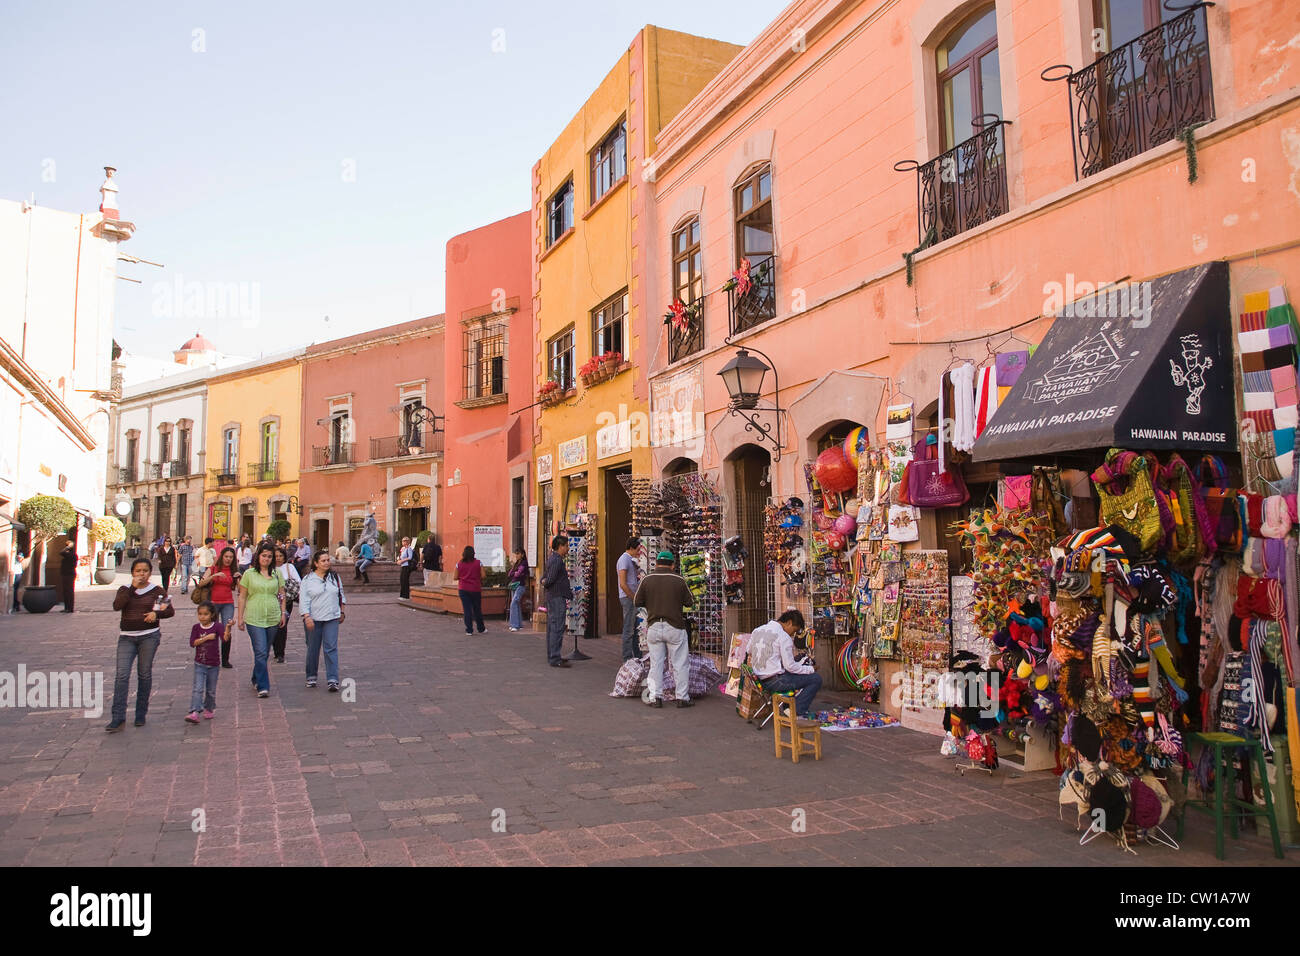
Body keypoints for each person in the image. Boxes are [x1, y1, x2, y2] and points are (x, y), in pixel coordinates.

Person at [107, 558, 175, 731]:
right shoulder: (125, 590)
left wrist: (156, 614)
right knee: (122, 676)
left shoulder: (157, 591)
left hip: (149, 636)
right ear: (132, 573)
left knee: (144, 674)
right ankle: (118, 717)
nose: (141, 574)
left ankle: (140, 714)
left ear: (150, 572)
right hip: (126, 637)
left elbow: (169, 610)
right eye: (138, 571)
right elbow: (117, 606)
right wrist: (132, 588)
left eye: (145, 571)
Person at [633, 549, 695, 708]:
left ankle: (655, 697)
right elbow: (690, 602)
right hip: (675, 626)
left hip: (653, 626)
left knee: (656, 664)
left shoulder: (647, 579)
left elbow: (637, 601)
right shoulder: (678, 580)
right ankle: (682, 697)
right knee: (680, 663)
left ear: (657, 563)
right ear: (672, 564)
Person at [748, 609, 822, 718]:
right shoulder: (783, 636)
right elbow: (790, 666)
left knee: (791, 670)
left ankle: (787, 708)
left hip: (759, 679)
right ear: (789, 623)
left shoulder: (757, 630)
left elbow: (748, 650)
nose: (793, 635)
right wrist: (810, 669)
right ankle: (797, 711)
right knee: (815, 679)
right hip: (776, 682)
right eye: (794, 631)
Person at [237, 545, 284, 698]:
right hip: (254, 617)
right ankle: (263, 686)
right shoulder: (249, 574)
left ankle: (256, 677)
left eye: (270, 556)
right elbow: (242, 596)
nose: (267, 559)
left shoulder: (277, 573)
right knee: (261, 651)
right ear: (258, 556)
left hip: (272, 616)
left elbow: (282, 595)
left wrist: (283, 613)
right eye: (264, 555)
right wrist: (240, 617)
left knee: (264, 652)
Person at [301, 550, 346, 691]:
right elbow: (304, 600)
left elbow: (341, 594)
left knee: (331, 648)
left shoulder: (335, 577)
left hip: (332, 617)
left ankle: (332, 679)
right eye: (323, 561)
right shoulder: (308, 580)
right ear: (316, 563)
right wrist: (307, 617)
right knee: (313, 648)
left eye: (328, 560)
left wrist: (342, 611)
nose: (327, 563)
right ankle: (311, 676)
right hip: (314, 618)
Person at [198, 547, 240, 668]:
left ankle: (225, 660)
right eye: (226, 556)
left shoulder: (233, 571)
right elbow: (201, 583)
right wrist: (213, 575)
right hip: (213, 603)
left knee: (227, 629)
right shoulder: (213, 568)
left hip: (228, 603)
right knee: (212, 630)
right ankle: (210, 657)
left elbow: (241, 591)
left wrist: (239, 578)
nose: (228, 559)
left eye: (231, 557)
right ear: (222, 556)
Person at [185, 601, 226, 722]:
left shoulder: (217, 626)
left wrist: (228, 627)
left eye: (206, 614)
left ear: (212, 615)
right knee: (198, 688)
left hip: (214, 664)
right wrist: (206, 638)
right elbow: (193, 643)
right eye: (200, 614)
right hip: (200, 663)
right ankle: (195, 711)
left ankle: (209, 708)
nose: (202, 617)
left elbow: (225, 639)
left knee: (211, 690)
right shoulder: (196, 628)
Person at [541, 536, 572, 668]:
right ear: (560, 546)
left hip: (553, 596)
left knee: (553, 627)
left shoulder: (552, 558)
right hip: (556, 597)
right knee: (557, 627)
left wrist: (544, 581)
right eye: (566, 546)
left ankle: (554, 655)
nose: (567, 549)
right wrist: (545, 582)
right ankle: (555, 657)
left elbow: (545, 577)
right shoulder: (557, 560)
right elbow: (549, 579)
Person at [271, 546, 301, 664]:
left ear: (284, 557)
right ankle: (275, 648)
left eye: (280, 556)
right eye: (276, 556)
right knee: (273, 626)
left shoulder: (289, 567)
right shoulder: (270, 568)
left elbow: (298, 582)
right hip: (272, 602)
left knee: (282, 626)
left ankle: (280, 653)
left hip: (286, 602)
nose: (278, 558)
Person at [616, 537, 643, 661]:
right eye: (638, 549)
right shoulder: (624, 560)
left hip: (631, 598)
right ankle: (627, 658)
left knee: (635, 629)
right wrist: (633, 597)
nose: (639, 552)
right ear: (631, 548)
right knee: (629, 629)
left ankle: (637, 655)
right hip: (628, 598)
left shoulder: (630, 559)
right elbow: (623, 583)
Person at [456, 545, 485, 635]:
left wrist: (463, 577)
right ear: (473, 553)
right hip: (475, 588)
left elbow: (455, 577)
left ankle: (469, 630)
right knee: (477, 609)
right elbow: (483, 575)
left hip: (463, 589)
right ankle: (481, 628)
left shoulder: (459, 564)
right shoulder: (478, 563)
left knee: (467, 609)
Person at [506, 548, 529, 631]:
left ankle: (514, 625)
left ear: (522, 554)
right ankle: (519, 624)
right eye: (516, 553)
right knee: (516, 604)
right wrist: (514, 573)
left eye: (518, 553)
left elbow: (518, 574)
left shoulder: (524, 563)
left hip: (520, 585)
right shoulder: (517, 563)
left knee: (514, 603)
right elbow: (510, 573)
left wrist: (515, 573)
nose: (516, 555)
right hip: (514, 585)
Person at [60, 536, 78, 613]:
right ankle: (67, 607)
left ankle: (70, 608)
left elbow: (61, 552)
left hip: (69, 574)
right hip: (67, 573)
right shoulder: (71, 554)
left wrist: (68, 547)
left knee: (69, 591)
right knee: (66, 591)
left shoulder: (72, 555)